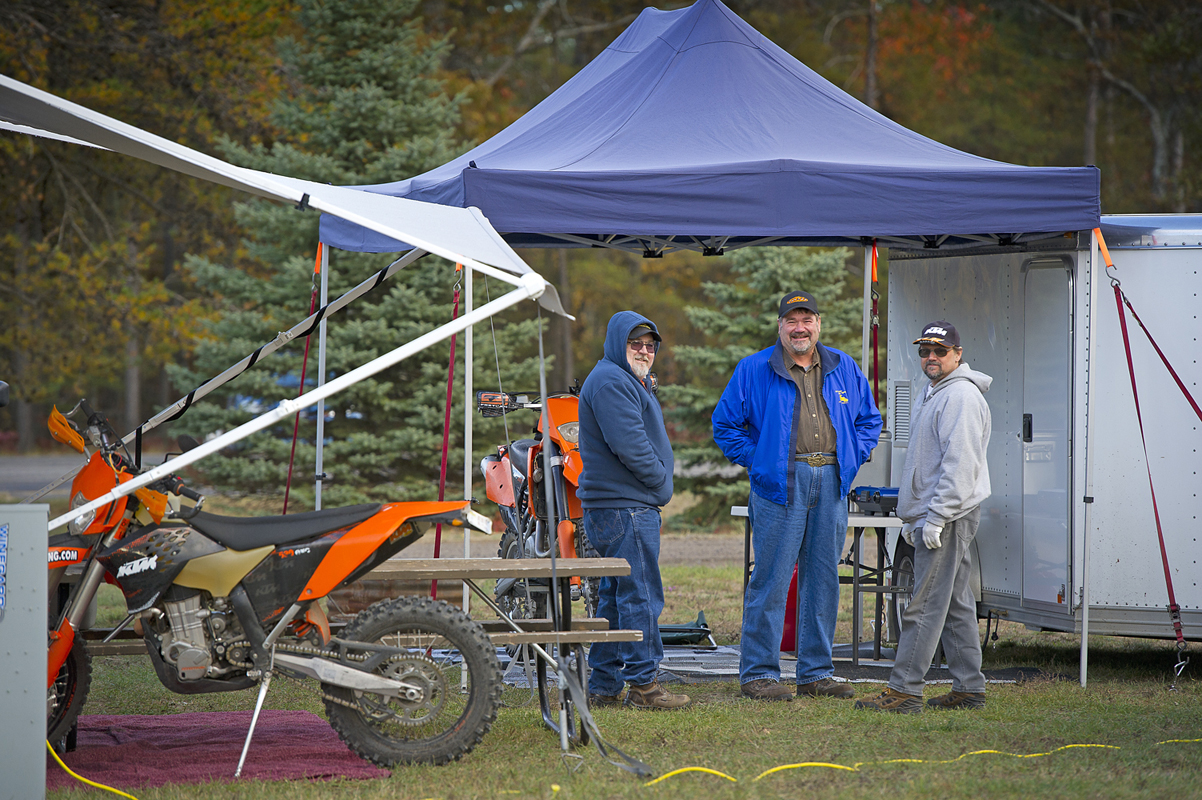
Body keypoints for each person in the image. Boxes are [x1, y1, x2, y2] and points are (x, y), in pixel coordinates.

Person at [713, 291, 881, 701]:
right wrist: (763, 461)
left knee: (822, 579)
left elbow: (869, 420)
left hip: (831, 481)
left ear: (818, 324)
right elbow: (725, 426)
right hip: (780, 485)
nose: (800, 328)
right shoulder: (754, 369)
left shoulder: (844, 367)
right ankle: (758, 674)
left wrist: (852, 457)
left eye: (807, 320)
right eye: (792, 320)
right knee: (770, 579)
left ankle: (815, 673)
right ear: (780, 326)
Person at [855, 320, 992, 714]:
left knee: (924, 603)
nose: (931, 358)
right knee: (955, 602)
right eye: (925, 351)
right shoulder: (935, 391)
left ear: (958, 354)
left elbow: (960, 465)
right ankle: (969, 687)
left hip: (946, 517)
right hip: (945, 514)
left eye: (940, 351)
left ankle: (903, 691)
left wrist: (935, 517)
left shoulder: (960, 397)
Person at [577, 311, 691, 710]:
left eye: (649, 345)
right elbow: (631, 446)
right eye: (635, 343)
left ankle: (604, 684)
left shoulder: (624, 379)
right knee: (640, 595)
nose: (644, 351)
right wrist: (662, 485)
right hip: (626, 508)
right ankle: (644, 686)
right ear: (616, 344)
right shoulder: (611, 381)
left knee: (614, 596)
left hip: (618, 507)